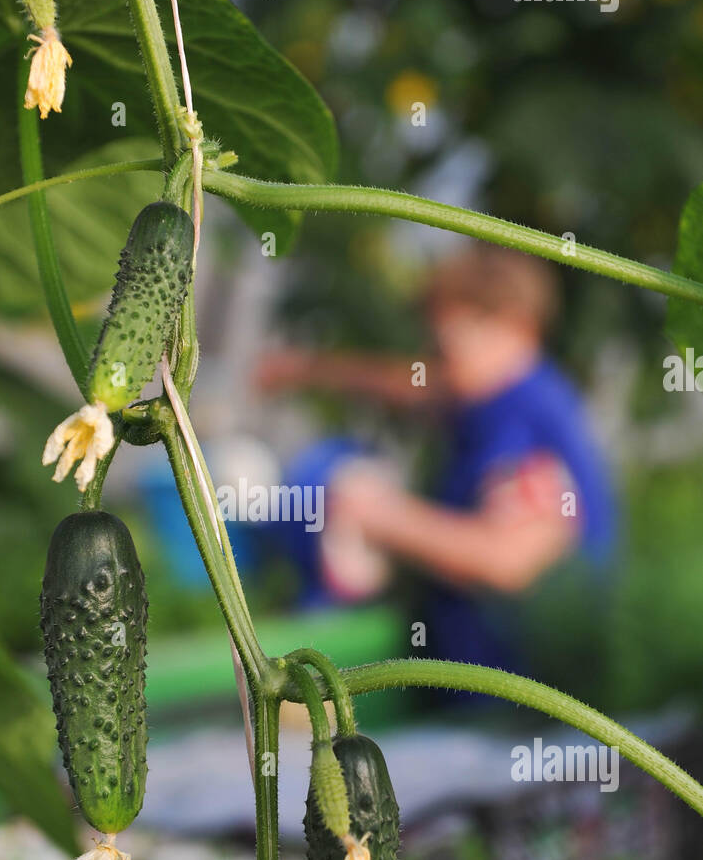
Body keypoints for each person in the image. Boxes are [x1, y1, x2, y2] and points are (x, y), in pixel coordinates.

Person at [255, 243, 616, 682]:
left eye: (444, 348)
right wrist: (307, 370)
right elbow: (410, 385)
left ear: (513, 325)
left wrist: (377, 515)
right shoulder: (490, 395)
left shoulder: (527, 418)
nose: (433, 362)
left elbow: (511, 561)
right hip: (481, 693)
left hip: (514, 706)